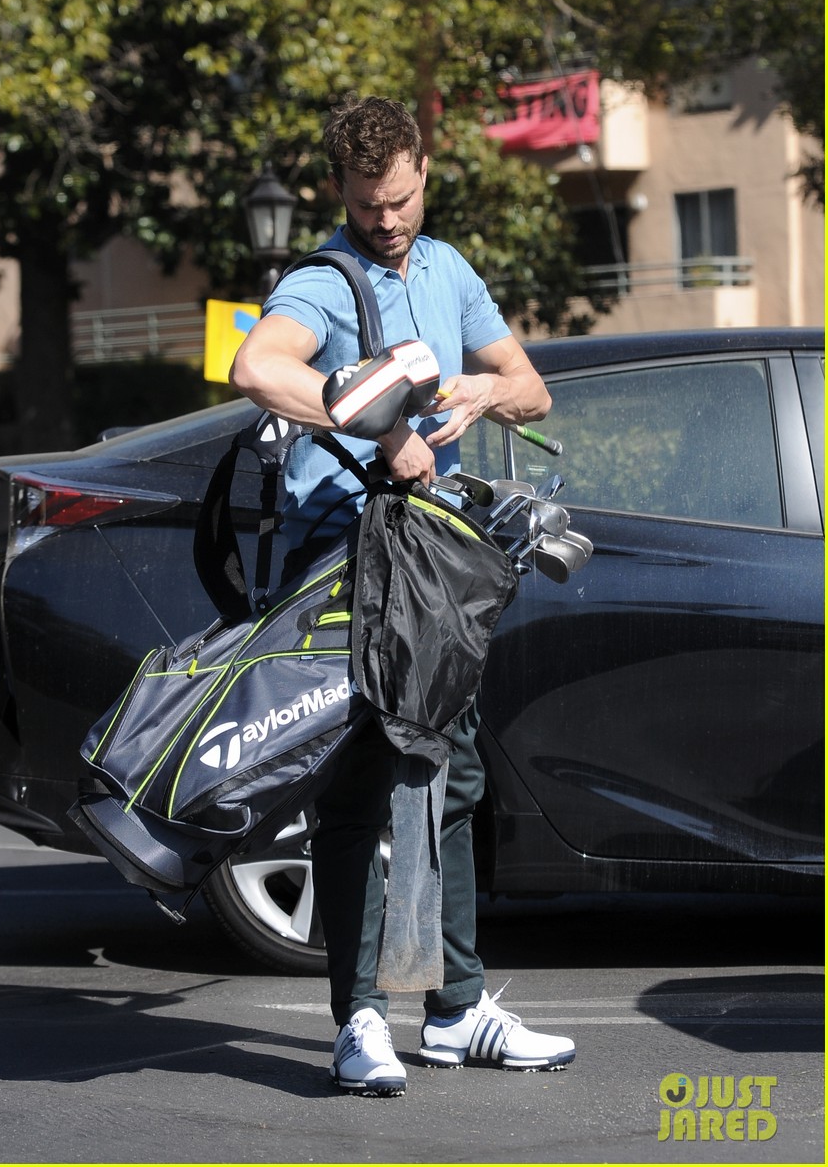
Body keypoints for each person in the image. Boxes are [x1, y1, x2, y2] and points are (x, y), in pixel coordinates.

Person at [230, 95, 575, 1096]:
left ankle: (457, 1010)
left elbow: (531, 388)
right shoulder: (322, 281)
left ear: (424, 169)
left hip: (432, 562)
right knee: (357, 792)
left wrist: (481, 392)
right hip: (349, 562)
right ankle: (359, 1021)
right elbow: (257, 367)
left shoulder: (449, 269)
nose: (385, 220)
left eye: (398, 199)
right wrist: (382, 429)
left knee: (448, 782)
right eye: (365, 204)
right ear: (339, 190)